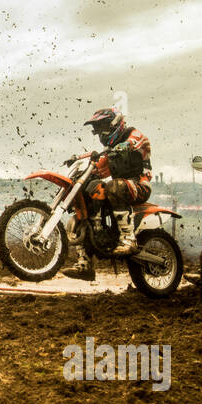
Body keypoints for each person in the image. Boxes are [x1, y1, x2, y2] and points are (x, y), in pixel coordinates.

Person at [63, 107, 153, 279]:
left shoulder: (134, 135)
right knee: (81, 209)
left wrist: (124, 145)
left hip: (140, 185)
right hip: (121, 188)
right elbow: (97, 169)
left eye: (103, 128)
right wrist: (82, 172)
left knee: (113, 186)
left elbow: (137, 141)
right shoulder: (111, 152)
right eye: (97, 131)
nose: (101, 134)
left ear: (114, 124)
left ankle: (128, 239)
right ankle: (85, 264)